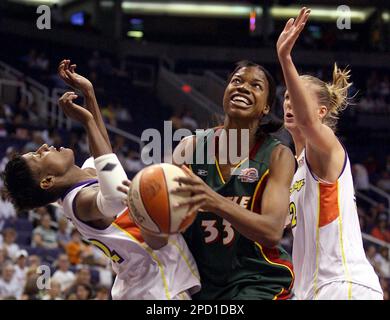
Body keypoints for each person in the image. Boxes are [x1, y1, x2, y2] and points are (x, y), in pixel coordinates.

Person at [2, 60, 200, 300]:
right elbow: (116, 196)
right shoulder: (79, 202)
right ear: (47, 181)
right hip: (153, 289)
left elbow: (106, 153)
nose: (43, 146)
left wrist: (89, 94)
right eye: (38, 155)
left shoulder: (86, 172)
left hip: (152, 279)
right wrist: (86, 121)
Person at [276, 7, 383, 299]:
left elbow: (308, 122)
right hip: (313, 290)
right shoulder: (293, 170)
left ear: (321, 111)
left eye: (295, 96)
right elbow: (272, 226)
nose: (289, 102)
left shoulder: (326, 145)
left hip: (343, 284)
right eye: (286, 96)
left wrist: (286, 59)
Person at [168, 60, 296, 299]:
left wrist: (213, 201)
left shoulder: (278, 156)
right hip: (199, 282)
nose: (243, 87)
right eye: (236, 81)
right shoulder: (190, 146)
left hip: (257, 280)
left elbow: (271, 232)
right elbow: (161, 211)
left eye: (256, 85)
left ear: (266, 107)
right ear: (225, 92)